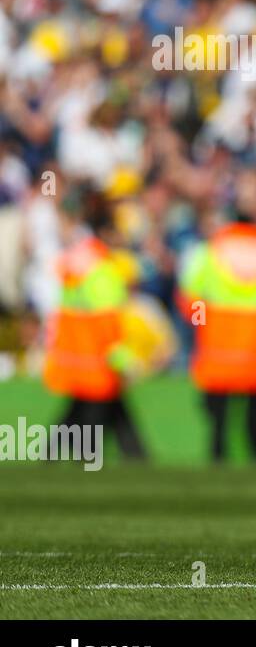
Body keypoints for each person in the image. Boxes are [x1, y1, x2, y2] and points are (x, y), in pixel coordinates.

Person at [179, 216, 256, 463]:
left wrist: (203, 325)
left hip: (217, 350)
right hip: (254, 352)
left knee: (218, 419)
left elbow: (190, 298)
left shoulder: (211, 252)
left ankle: (218, 460)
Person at [44, 196, 145, 460]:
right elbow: (108, 328)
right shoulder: (104, 272)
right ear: (107, 233)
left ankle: (51, 456)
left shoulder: (75, 265)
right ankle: (119, 459)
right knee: (91, 420)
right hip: (98, 361)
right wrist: (125, 361)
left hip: (75, 357)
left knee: (83, 412)